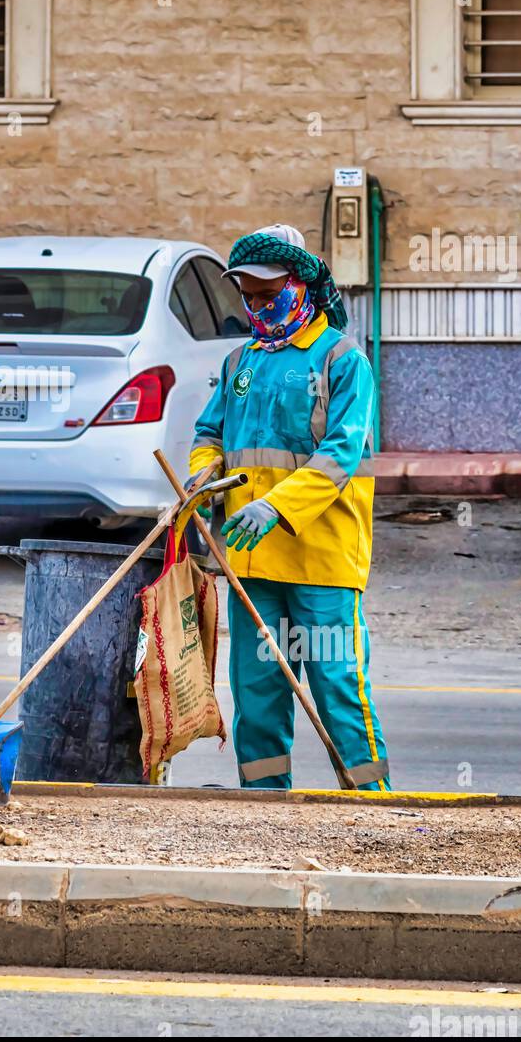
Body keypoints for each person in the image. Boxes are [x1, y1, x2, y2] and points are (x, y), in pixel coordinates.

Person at [187, 223, 390, 791]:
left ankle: (372, 803)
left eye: (267, 293)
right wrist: (203, 476)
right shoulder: (240, 363)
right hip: (252, 565)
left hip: (322, 562)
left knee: (338, 690)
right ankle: (264, 807)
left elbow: (341, 453)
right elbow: (210, 431)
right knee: (257, 700)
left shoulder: (343, 361)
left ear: (301, 284)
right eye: (248, 296)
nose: (257, 305)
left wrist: (276, 507)